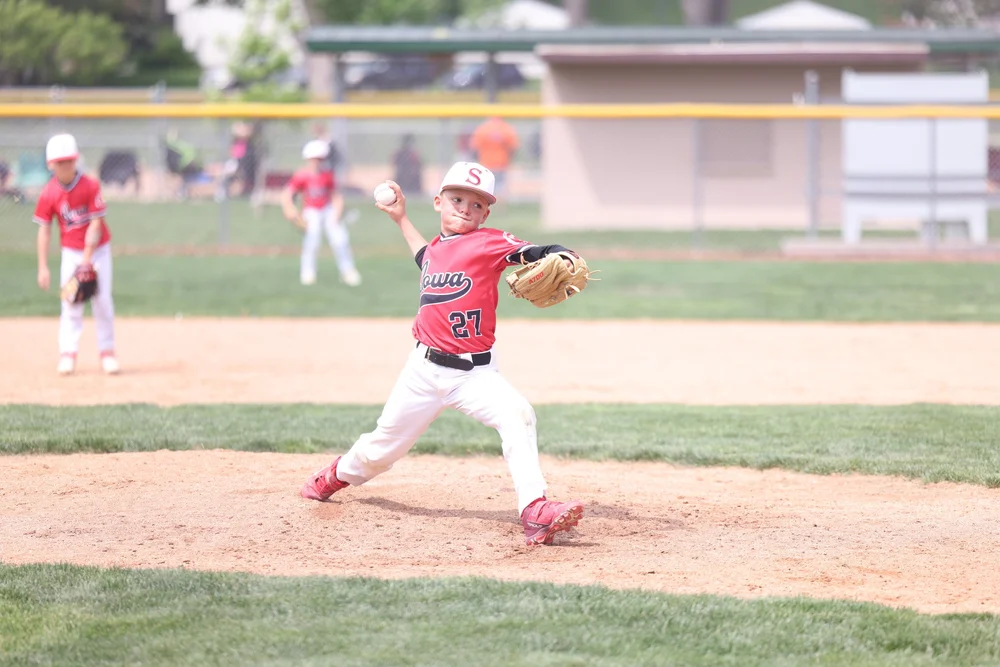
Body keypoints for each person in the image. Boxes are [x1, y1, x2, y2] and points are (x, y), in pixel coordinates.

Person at [299, 161, 584, 546]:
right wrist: (400, 218)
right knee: (379, 452)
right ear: (438, 202)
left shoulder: (489, 243)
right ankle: (334, 476)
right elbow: (425, 256)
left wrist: (561, 254)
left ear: (486, 214)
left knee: (518, 414)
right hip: (421, 371)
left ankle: (535, 510)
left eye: (477, 204)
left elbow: (533, 250)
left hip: (474, 375)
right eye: (457, 199)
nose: (465, 208)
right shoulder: (434, 249)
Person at [34, 133, 120, 376]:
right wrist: (43, 266)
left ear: (76, 160)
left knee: (102, 302)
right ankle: (68, 353)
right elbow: (44, 231)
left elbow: (96, 224)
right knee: (70, 302)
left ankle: (107, 352)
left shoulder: (90, 185)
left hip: (98, 252)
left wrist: (87, 261)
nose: (66, 166)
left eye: (69, 161)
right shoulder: (48, 193)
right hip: (71, 253)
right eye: (60, 162)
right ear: (51, 164)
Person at [281, 139, 361, 287]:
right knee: (312, 241)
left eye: (320, 159)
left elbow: (335, 195)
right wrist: (289, 208)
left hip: (327, 209)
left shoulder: (327, 175)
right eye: (314, 158)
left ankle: (348, 271)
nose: (316, 162)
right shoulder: (302, 175)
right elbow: (288, 194)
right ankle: (308, 273)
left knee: (340, 239)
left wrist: (337, 212)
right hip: (311, 211)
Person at [469, 116, 519, 201]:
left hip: (486, 163)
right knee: (500, 188)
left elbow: (474, 148)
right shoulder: (506, 128)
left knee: (486, 188)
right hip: (501, 163)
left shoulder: (483, 128)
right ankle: (500, 206)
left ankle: (487, 204)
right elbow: (513, 148)